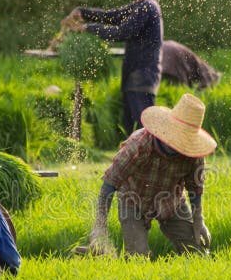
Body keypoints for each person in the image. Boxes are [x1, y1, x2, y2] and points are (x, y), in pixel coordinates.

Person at [88, 93, 217, 258]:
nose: (181, 147)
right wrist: (100, 226)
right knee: (138, 258)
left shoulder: (193, 153)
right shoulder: (139, 146)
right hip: (133, 199)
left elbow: (195, 187)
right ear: (166, 131)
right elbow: (109, 183)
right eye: (178, 140)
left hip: (172, 201)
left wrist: (199, 220)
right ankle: (103, 256)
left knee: (198, 254)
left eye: (185, 142)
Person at [61, 0, 164, 135]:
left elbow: (121, 32)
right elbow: (111, 16)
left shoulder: (148, 7)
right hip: (136, 75)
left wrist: (87, 28)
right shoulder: (140, 6)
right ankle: (137, 160)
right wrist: (82, 12)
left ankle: (154, 159)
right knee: (134, 128)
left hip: (142, 75)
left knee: (144, 129)